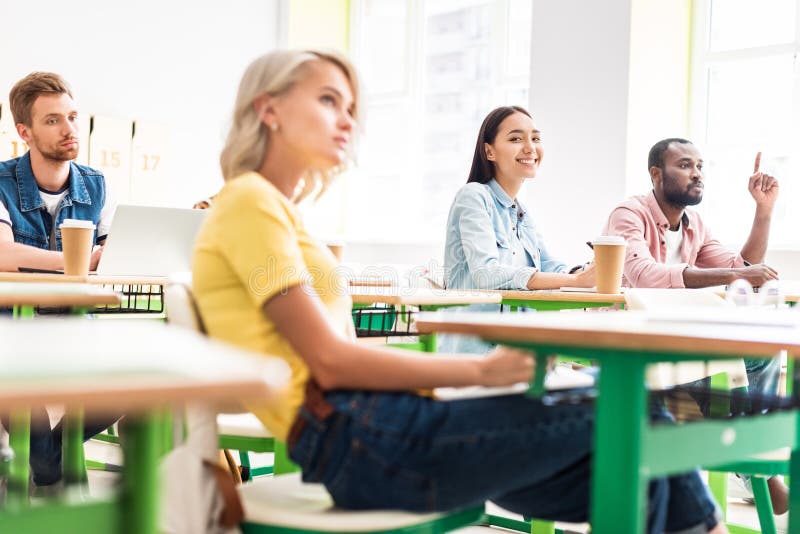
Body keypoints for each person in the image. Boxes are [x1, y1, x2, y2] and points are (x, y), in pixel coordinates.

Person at [192, 50, 728, 533]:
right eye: (329, 100)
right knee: (636, 416)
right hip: (358, 440)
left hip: (378, 427)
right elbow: (330, 363)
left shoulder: (281, 214)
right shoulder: (248, 204)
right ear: (269, 110)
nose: (347, 120)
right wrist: (480, 372)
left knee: (644, 469)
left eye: (351, 107)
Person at [603, 137, 786, 513]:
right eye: (685, 165)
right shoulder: (629, 213)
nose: (697, 174)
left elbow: (739, 266)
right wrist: (736, 272)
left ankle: (746, 460)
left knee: (763, 352)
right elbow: (643, 275)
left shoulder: (694, 224)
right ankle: (751, 465)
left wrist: (764, 211)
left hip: (679, 342)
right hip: (634, 346)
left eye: (700, 166)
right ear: (657, 174)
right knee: (724, 382)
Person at [0, 72, 118, 488]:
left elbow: (114, 257)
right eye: (53, 120)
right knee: (9, 365)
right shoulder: (1, 181)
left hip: (74, 318)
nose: (69, 129)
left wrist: (103, 260)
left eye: (72, 116)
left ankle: (47, 457)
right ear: (24, 131)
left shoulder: (96, 186)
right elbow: (2, 253)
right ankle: (51, 473)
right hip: (10, 320)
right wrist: (78, 260)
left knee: (136, 369)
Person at [440, 106, 595, 354]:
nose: (530, 148)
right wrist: (576, 280)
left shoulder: (522, 213)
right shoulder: (473, 197)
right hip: (471, 352)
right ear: (489, 151)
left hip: (515, 351)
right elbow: (486, 274)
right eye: (516, 139)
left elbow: (549, 266)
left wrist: (585, 272)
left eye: (535, 138)